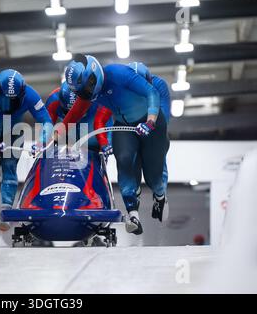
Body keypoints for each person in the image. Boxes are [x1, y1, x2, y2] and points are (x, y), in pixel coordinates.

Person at [59, 54, 170, 235]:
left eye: (88, 87)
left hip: (151, 123)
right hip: (123, 125)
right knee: (124, 159)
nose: (87, 92)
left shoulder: (119, 74)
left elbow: (152, 93)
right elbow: (72, 116)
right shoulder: (88, 91)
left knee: (153, 171)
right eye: (83, 90)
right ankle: (132, 213)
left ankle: (160, 194)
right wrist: (49, 141)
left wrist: (150, 121)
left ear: (94, 73)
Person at [0, 69, 53, 232]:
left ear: (21, 95)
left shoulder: (31, 96)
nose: (6, 106)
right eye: (3, 100)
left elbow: (47, 122)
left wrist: (41, 141)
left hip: (14, 131)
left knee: (9, 166)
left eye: (12, 101)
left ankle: (6, 210)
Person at [127, 62, 171, 201]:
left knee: (158, 150)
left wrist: (150, 125)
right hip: (132, 127)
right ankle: (133, 187)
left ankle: (160, 192)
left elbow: (164, 117)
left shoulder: (159, 85)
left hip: (152, 126)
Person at [45, 81, 113, 154]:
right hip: (68, 132)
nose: (72, 116)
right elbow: (47, 125)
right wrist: (44, 143)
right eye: (67, 112)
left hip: (91, 130)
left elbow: (102, 122)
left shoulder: (100, 100)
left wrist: (105, 144)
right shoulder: (53, 100)